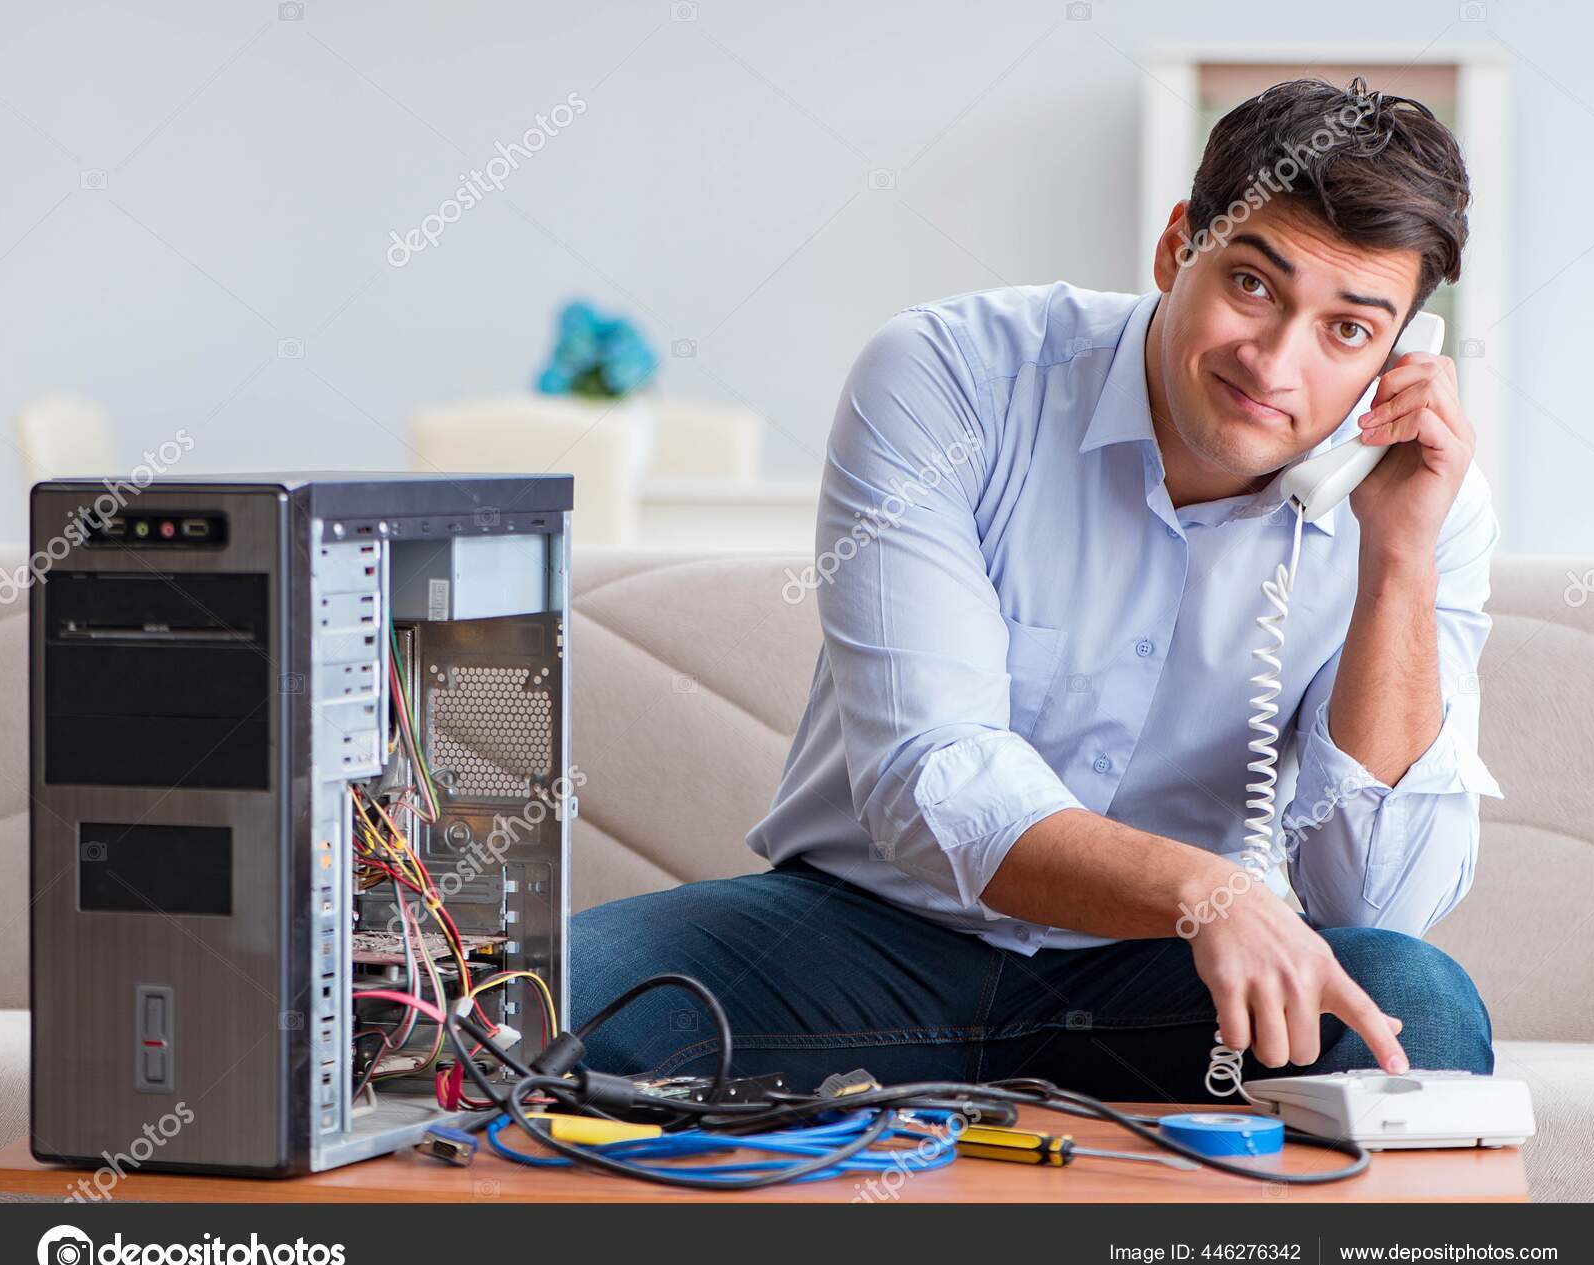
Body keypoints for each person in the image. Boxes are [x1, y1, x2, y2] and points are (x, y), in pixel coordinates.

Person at [571, 77, 1499, 1100]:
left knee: (1416, 1005)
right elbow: (930, 774)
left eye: (1346, 330)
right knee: (534, 1007)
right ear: (1176, 244)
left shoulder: (1421, 501)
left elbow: (1378, 897)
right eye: (1251, 284)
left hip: (1165, 980)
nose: (1274, 363)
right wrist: (1203, 888)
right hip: (867, 939)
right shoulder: (949, 377)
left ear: (1401, 355)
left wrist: (1398, 561)